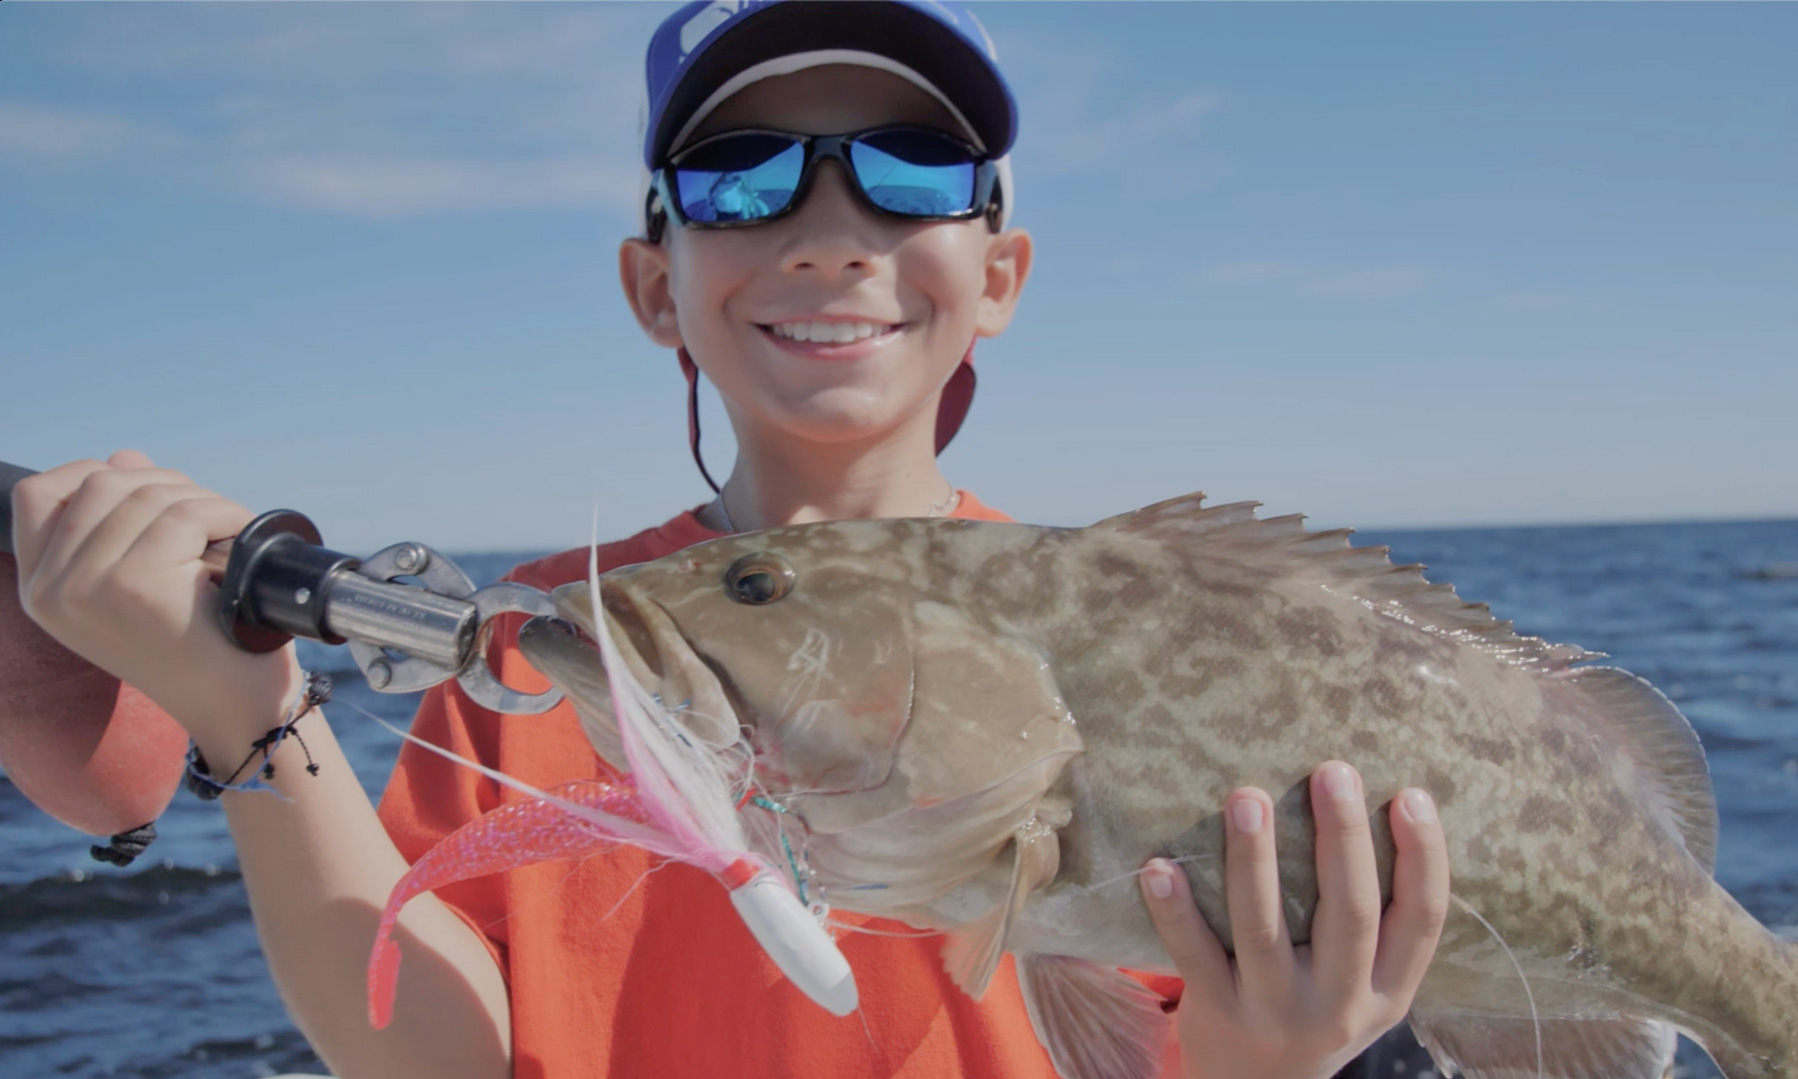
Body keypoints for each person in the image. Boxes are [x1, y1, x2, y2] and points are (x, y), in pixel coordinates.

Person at [9, 3, 1450, 1078]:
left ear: (1000, 270)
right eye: (743, 178)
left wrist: (1269, 1067)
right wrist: (252, 715)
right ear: (656, 285)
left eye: (913, 169)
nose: (829, 234)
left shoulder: (1143, 628)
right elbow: (434, 1054)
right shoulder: (548, 649)